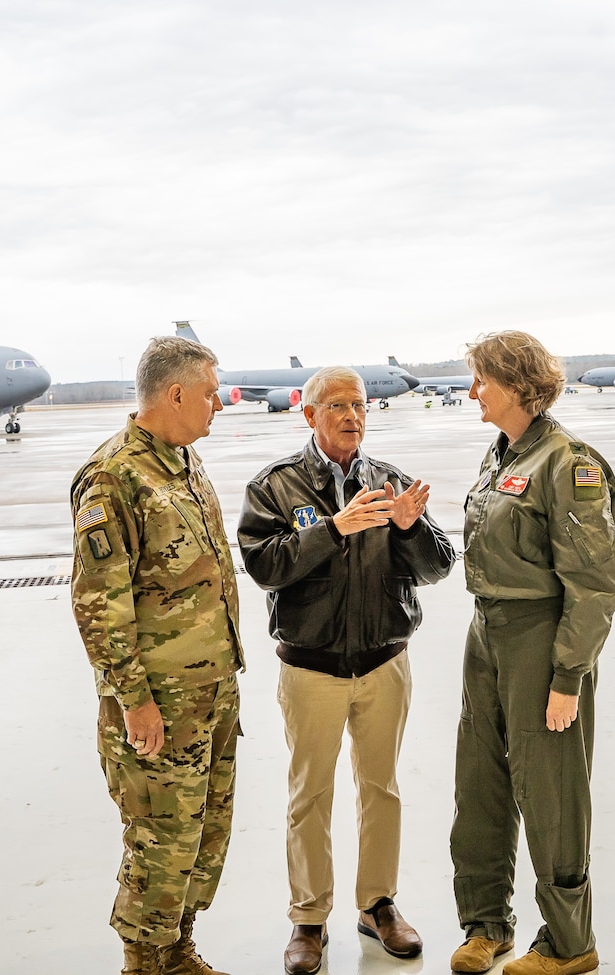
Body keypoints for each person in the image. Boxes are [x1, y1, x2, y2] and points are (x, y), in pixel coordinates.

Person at [236, 366, 455, 975]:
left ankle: (377, 905)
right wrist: (334, 529)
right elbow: (264, 567)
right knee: (310, 794)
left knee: (380, 789)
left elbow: (438, 566)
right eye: (337, 405)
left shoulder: (391, 483)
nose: (352, 415)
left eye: (358, 405)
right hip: (311, 670)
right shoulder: (275, 488)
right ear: (309, 415)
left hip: (384, 663)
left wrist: (410, 528)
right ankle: (308, 919)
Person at [449, 332, 615, 975]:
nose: (473, 393)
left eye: (481, 381)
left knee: (551, 790)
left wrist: (567, 675)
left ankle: (570, 942)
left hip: (540, 639)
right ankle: (486, 925)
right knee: (480, 782)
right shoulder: (500, 457)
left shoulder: (567, 462)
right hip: (486, 635)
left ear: (518, 385)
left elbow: (596, 584)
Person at [69, 336, 244, 975]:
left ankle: (177, 951)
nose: (218, 405)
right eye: (208, 393)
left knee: (204, 832)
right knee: (160, 838)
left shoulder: (184, 462)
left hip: (212, 691)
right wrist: (133, 701)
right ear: (175, 394)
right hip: (159, 702)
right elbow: (98, 605)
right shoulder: (115, 476)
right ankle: (144, 963)